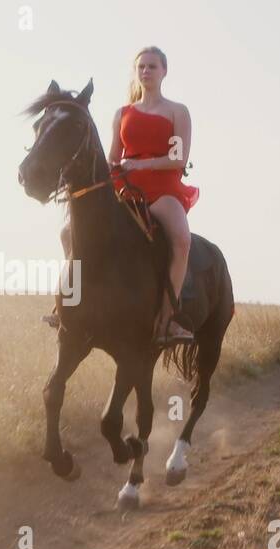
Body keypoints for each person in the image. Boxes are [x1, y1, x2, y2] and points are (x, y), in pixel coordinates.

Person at [45, 45, 199, 346]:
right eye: (141, 67)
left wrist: (141, 163)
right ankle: (68, 302)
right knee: (68, 233)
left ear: (164, 71)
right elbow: (113, 157)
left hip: (163, 189)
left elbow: (179, 159)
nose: (146, 71)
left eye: (152, 66)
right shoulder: (122, 113)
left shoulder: (177, 111)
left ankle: (168, 320)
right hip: (124, 187)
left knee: (182, 239)